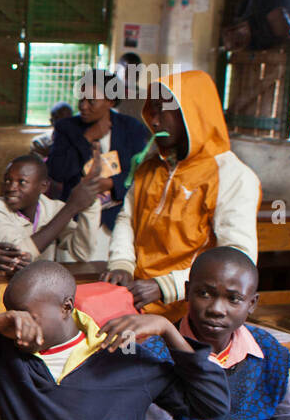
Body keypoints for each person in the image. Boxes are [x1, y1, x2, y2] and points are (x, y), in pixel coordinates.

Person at [0, 261, 229, 420]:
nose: (20, 324)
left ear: (66, 307)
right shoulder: (5, 349)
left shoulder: (123, 357)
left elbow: (211, 404)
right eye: (12, 314)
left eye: (29, 316)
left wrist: (168, 330)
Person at [103, 71, 261, 320]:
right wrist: (122, 264)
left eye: (162, 111)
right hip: (137, 295)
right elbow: (127, 219)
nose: (153, 121)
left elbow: (238, 258)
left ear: (192, 113)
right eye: (151, 111)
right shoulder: (151, 166)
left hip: (192, 308)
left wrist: (166, 286)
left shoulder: (233, 176)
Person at [144, 247, 290, 420]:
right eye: (205, 294)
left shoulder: (266, 350)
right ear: (188, 292)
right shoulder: (156, 356)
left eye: (234, 299)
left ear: (252, 304)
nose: (217, 309)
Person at [46, 72, 150, 258]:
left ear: (110, 101)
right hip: (75, 222)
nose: (83, 106)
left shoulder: (131, 128)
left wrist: (111, 184)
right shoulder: (67, 128)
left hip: (115, 222)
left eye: (91, 101)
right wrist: (86, 138)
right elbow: (57, 171)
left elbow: (140, 172)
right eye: (81, 100)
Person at [0, 154, 107, 263]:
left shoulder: (53, 209)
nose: (11, 188)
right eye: (7, 181)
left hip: (44, 285)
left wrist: (89, 205)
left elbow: (82, 253)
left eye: (22, 182)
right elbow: (18, 255)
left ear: (43, 187)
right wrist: (71, 208)